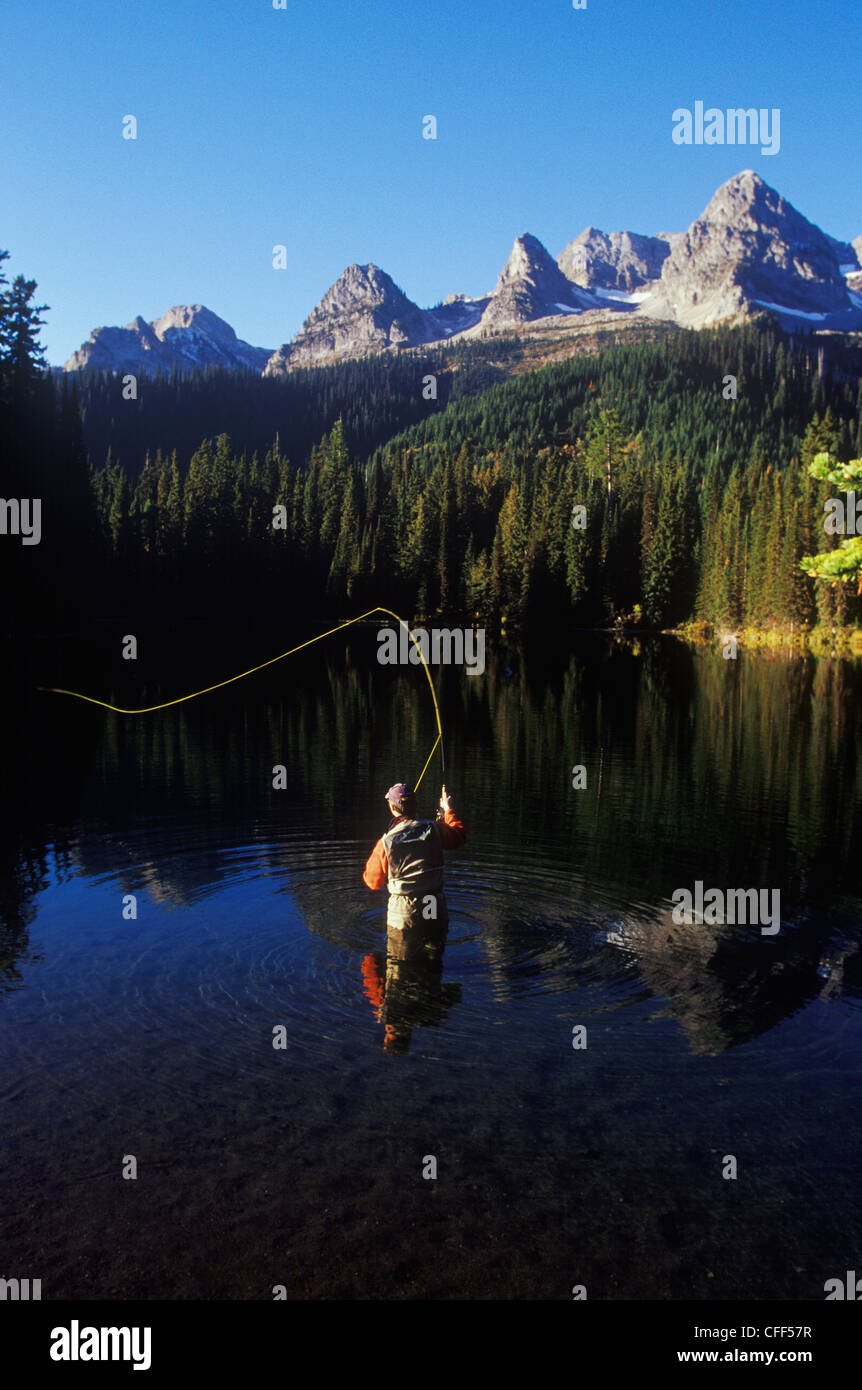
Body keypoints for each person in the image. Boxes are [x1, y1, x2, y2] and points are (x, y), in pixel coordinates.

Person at [362, 782, 466, 933]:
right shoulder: (435, 829)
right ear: (415, 805)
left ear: (392, 807)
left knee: (401, 953)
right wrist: (448, 809)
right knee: (434, 948)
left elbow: (373, 883)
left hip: (404, 910)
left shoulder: (385, 842)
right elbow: (459, 836)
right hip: (433, 902)